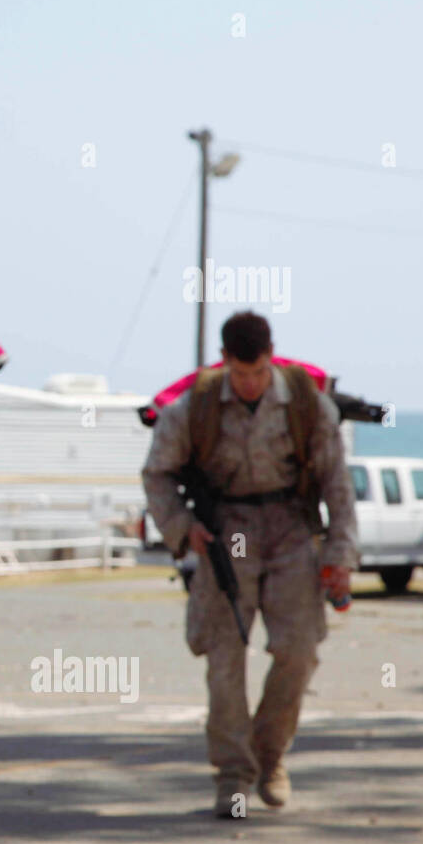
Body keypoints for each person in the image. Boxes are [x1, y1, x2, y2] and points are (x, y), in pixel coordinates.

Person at [141, 310, 356, 818]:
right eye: (240, 373)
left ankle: (270, 754)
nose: (251, 383)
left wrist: (340, 555)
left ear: (271, 357)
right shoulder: (196, 407)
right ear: (224, 361)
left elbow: (337, 485)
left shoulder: (305, 403)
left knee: (299, 651)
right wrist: (181, 528)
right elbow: (157, 474)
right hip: (228, 532)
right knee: (224, 658)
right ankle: (233, 777)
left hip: (289, 528)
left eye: (258, 371)